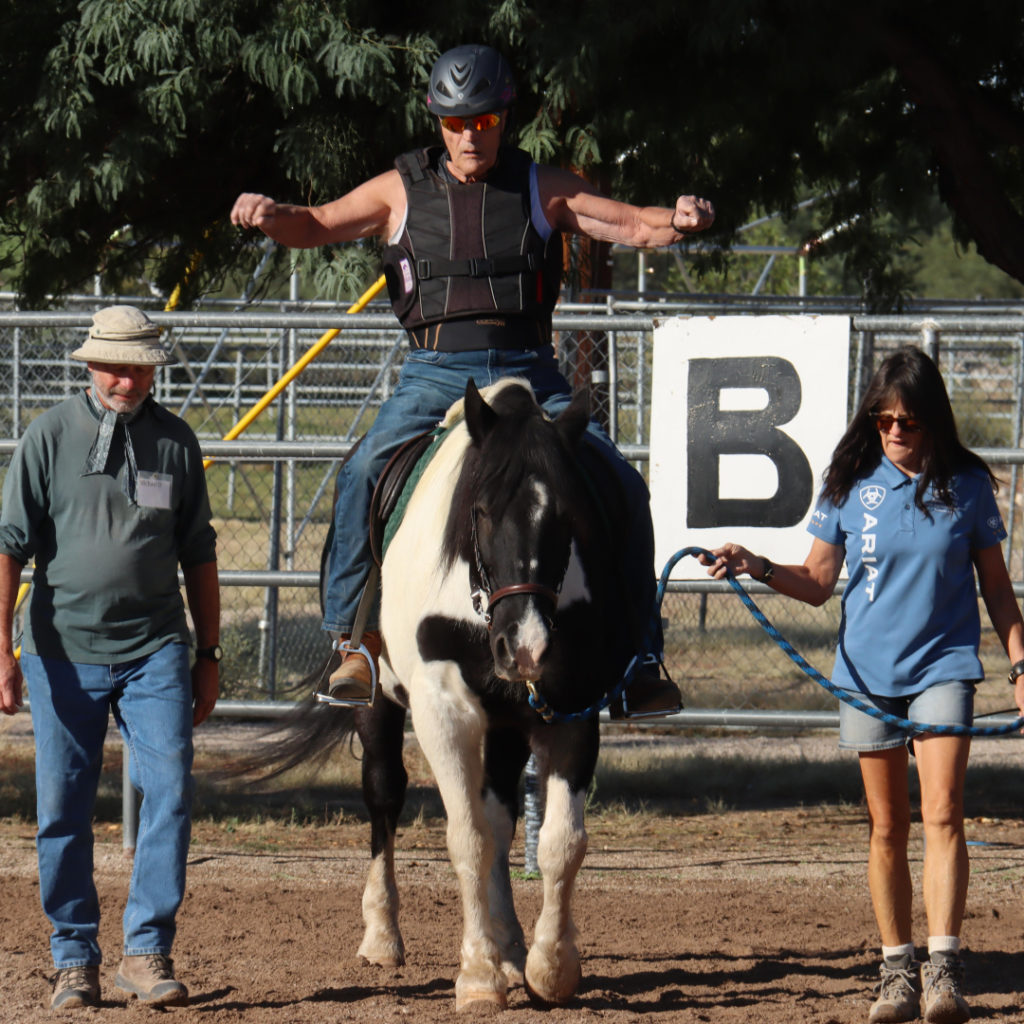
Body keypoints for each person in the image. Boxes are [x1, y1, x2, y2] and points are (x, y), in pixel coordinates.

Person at [230, 43, 715, 713]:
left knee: (622, 481)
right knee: (362, 471)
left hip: (530, 370)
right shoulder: (399, 189)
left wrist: (679, 220)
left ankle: (641, 660)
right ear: (437, 122)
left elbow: (631, 223)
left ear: (504, 118)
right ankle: (352, 646)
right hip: (434, 374)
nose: (469, 136)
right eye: (455, 123)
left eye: (483, 122)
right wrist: (269, 213)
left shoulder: (543, 187)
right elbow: (314, 225)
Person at [700, 346, 1024, 1024]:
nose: (896, 431)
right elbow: (818, 584)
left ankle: (944, 969)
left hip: (944, 667)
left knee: (943, 815)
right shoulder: (848, 481)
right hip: (866, 676)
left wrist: (1021, 665)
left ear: (932, 419)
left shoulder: (965, 485)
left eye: (908, 420)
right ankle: (895, 969)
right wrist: (754, 562)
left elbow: (996, 587)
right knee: (886, 827)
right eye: (884, 419)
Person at [0, 306, 221, 1010]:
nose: (127, 379)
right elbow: (8, 546)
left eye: (139, 366)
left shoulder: (176, 443)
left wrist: (209, 653)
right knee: (63, 803)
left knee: (172, 786)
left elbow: (201, 555)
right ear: (90, 364)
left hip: (156, 647)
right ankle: (73, 957)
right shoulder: (48, 435)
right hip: (62, 650)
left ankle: (147, 949)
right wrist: (0, 650)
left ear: (154, 367)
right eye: (114, 365)